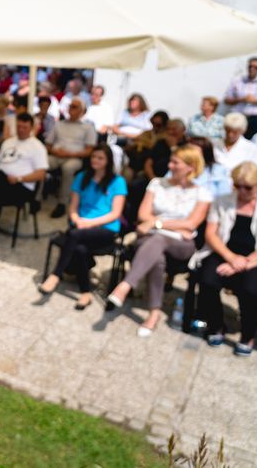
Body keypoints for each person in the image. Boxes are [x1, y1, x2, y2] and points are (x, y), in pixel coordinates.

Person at [106, 144, 212, 336]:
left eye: (175, 162)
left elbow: (191, 224)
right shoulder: (157, 183)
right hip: (149, 239)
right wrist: (170, 224)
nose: (170, 165)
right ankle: (153, 313)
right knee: (157, 257)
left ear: (190, 167)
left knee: (159, 240)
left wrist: (156, 222)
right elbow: (142, 214)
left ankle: (125, 285)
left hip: (181, 244)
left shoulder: (202, 193)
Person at [191, 162, 257, 356]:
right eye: (237, 186)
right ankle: (216, 325)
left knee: (251, 287)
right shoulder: (222, 200)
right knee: (208, 279)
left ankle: (247, 334)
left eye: (247, 187)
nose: (241, 191)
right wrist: (231, 258)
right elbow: (211, 234)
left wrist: (244, 263)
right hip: (224, 251)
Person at [39, 144, 127, 309]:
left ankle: (56, 274)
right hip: (81, 225)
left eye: (100, 158)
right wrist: (75, 218)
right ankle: (86, 293)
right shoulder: (82, 177)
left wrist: (88, 223)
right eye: (94, 157)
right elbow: (73, 206)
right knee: (79, 248)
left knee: (74, 236)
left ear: (108, 161)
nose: (95, 160)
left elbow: (115, 213)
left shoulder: (118, 182)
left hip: (105, 228)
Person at [0, 113, 49, 243]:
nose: (21, 130)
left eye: (24, 127)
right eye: (19, 126)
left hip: (21, 186)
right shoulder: (8, 142)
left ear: (32, 128)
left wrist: (19, 179)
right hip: (1, 181)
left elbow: (41, 174)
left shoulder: (37, 147)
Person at [46, 98, 98, 218]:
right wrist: (55, 151)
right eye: (70, 106)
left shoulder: (88, 127)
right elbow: (48, 144)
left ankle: (62, 203)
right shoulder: (59, 124)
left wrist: (69, 154)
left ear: (82, 111)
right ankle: (35, 198)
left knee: (68, 168)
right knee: (42, 164)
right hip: (56, 154)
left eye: (75, 107)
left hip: (75, 158)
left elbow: (89, 150)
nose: (71, 109)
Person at [224, 56, 257, 138]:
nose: (252, 69)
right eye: (250, 66)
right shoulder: (237, 80)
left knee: (256, 141)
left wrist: (256, 101)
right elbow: (227, 100)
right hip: (238, 117)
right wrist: (241, 99)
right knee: (235, 140)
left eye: (256, 67)